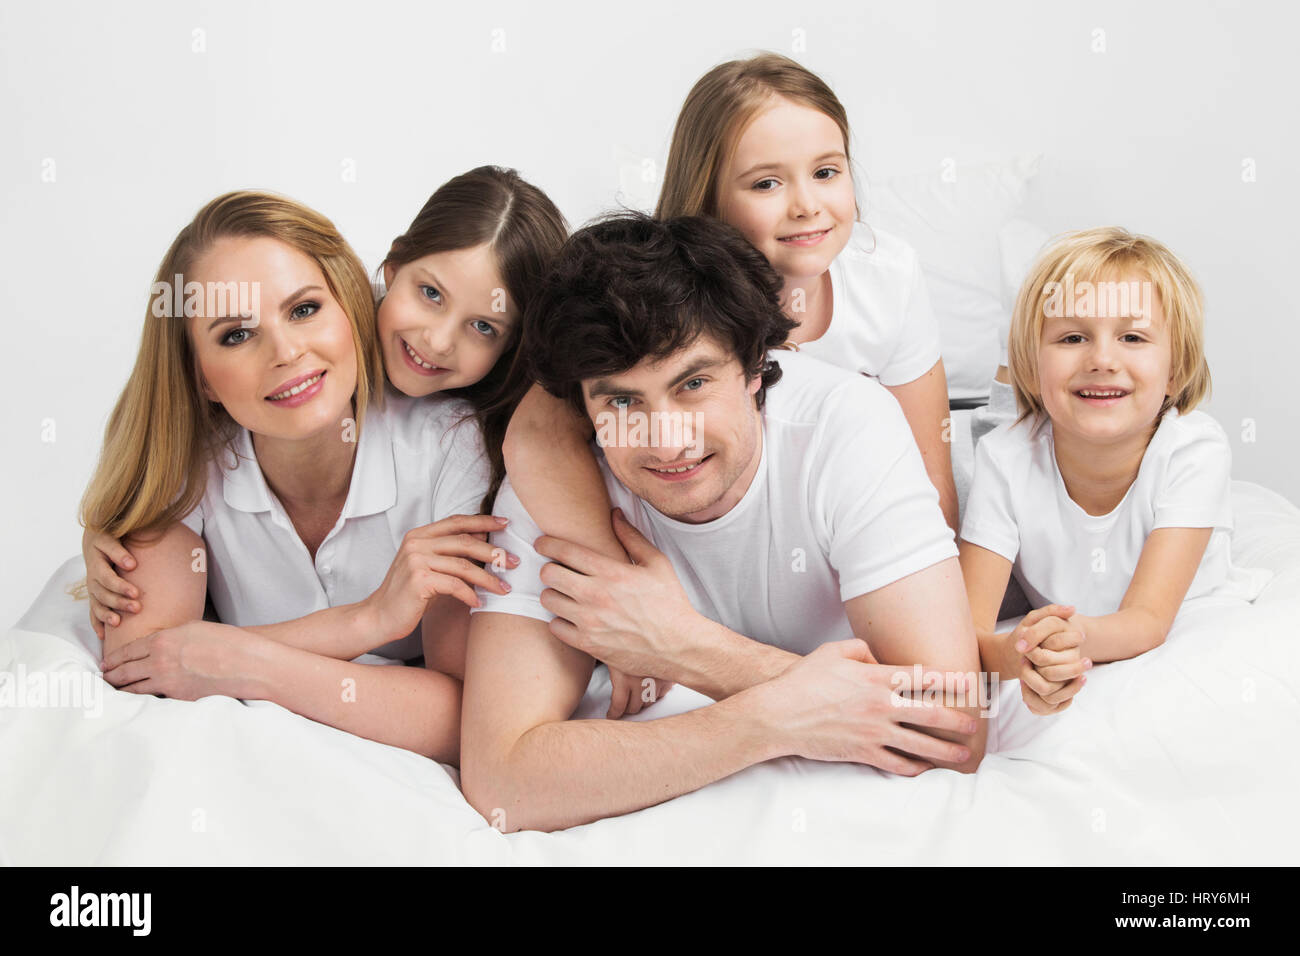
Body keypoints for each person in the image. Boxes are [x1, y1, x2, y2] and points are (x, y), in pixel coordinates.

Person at [460, 213, 986, 833]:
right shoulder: (556, 485)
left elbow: (950, 729)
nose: (665, 439)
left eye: (693, 384)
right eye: (622, 401)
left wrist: (683, 646)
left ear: (756, 367)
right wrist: (768, 720)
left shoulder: (846, 430)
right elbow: (502, 781)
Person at [496, 56, 959, 698]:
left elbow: (931, 469)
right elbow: (537, 435)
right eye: (766, 184)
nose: (806, 206)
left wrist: (929, 604)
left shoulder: (885, 279)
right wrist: (626, 591)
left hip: (854, 525)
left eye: (827, 172)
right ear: (708, 203)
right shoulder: (662, 311)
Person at [79, 173, 567, 760]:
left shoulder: (454, 448)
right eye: (236, 335)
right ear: (200, 376)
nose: (285, 352)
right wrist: (366, 621)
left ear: (348, 304)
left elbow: (467, 716)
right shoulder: (187, 455)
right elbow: (143, 666)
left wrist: (237, 659)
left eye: (304, 309)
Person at [958, 227, 1274, 716]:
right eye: (1072, 337)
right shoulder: (1005, 457)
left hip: (1192, 620)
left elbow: (1147, 620)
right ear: (1031, 368)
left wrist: (1068, 639)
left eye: (1132, 336)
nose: (1102, 359)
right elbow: (967, 632)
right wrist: (1022, 657)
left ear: (1174, 370)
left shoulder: (1193, 449)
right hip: (1065, 638)